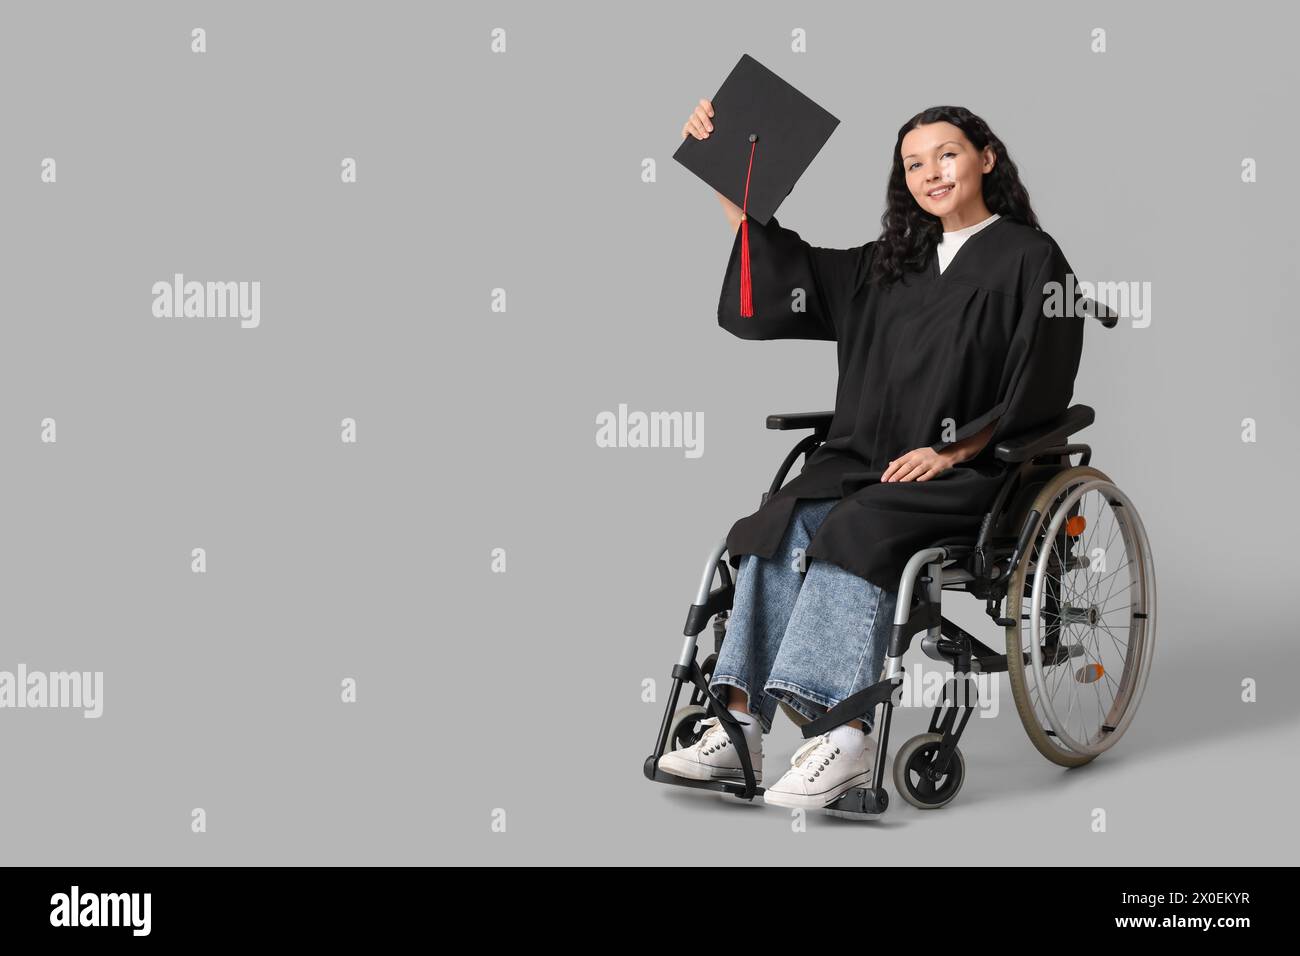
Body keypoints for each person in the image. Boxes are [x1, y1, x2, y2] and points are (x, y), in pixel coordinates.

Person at [657, 103, 1085, 810]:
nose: (929, 174)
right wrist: (733, 173)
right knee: (779, 519)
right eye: (913, 164)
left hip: (975, 475)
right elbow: (785, 274)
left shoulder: (1029, 258)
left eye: (946, 155)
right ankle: (735, 725)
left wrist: (956, 450)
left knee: (861, 524)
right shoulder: (890, 262)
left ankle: (844, 736)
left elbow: (1043, 378)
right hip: (864, 458)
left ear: (986, 158)